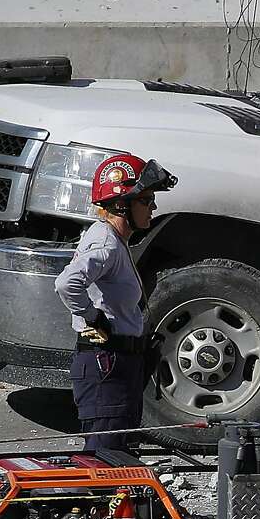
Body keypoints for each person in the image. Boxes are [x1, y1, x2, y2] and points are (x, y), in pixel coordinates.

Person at [54, 154, 177, 453]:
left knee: (117, 457)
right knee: (104, 461)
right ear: (122, 204)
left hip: (118, 365)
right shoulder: (106, 244)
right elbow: (66, 283)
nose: (153, 207)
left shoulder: (113, 240)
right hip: (105, 365)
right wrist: (92, 317)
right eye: (146, 200)